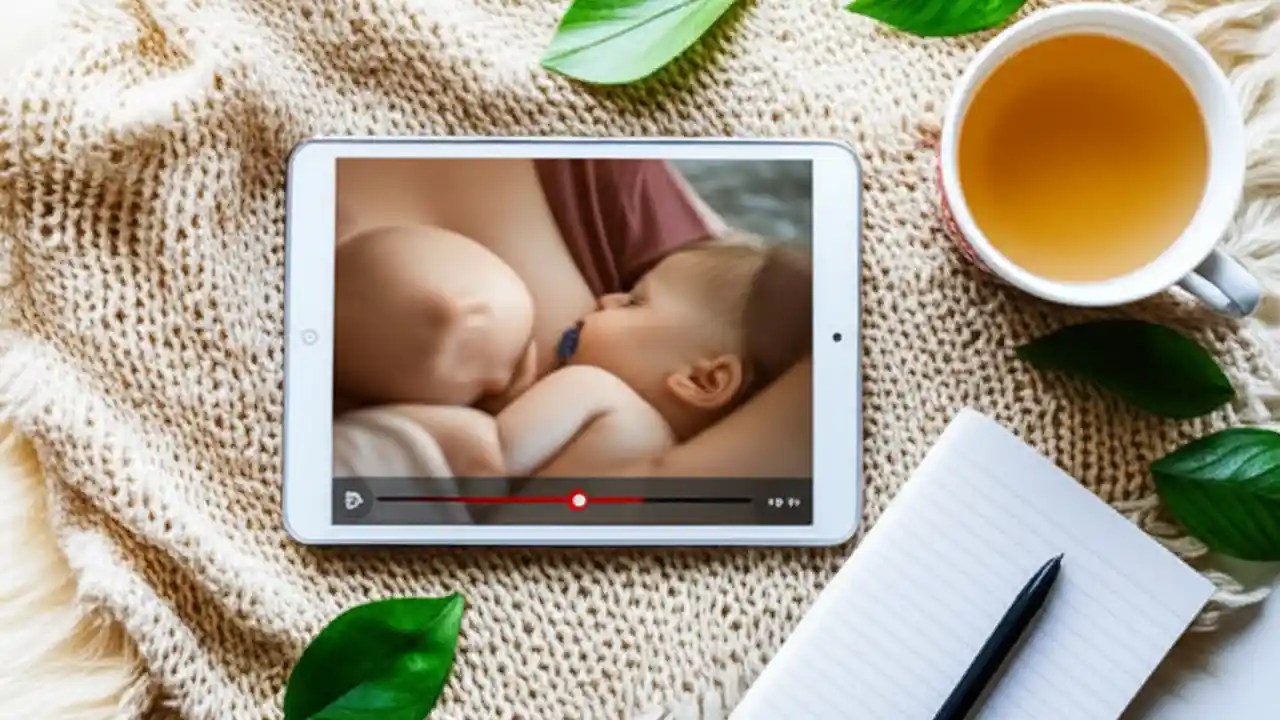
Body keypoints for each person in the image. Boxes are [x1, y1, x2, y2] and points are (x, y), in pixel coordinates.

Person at [333, 158, 812, 488]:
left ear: (703, 379)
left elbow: (489, 457)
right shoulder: (641, 431)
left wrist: (378, 428)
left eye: (633, 303)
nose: (606, 298)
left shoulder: (594, 389)